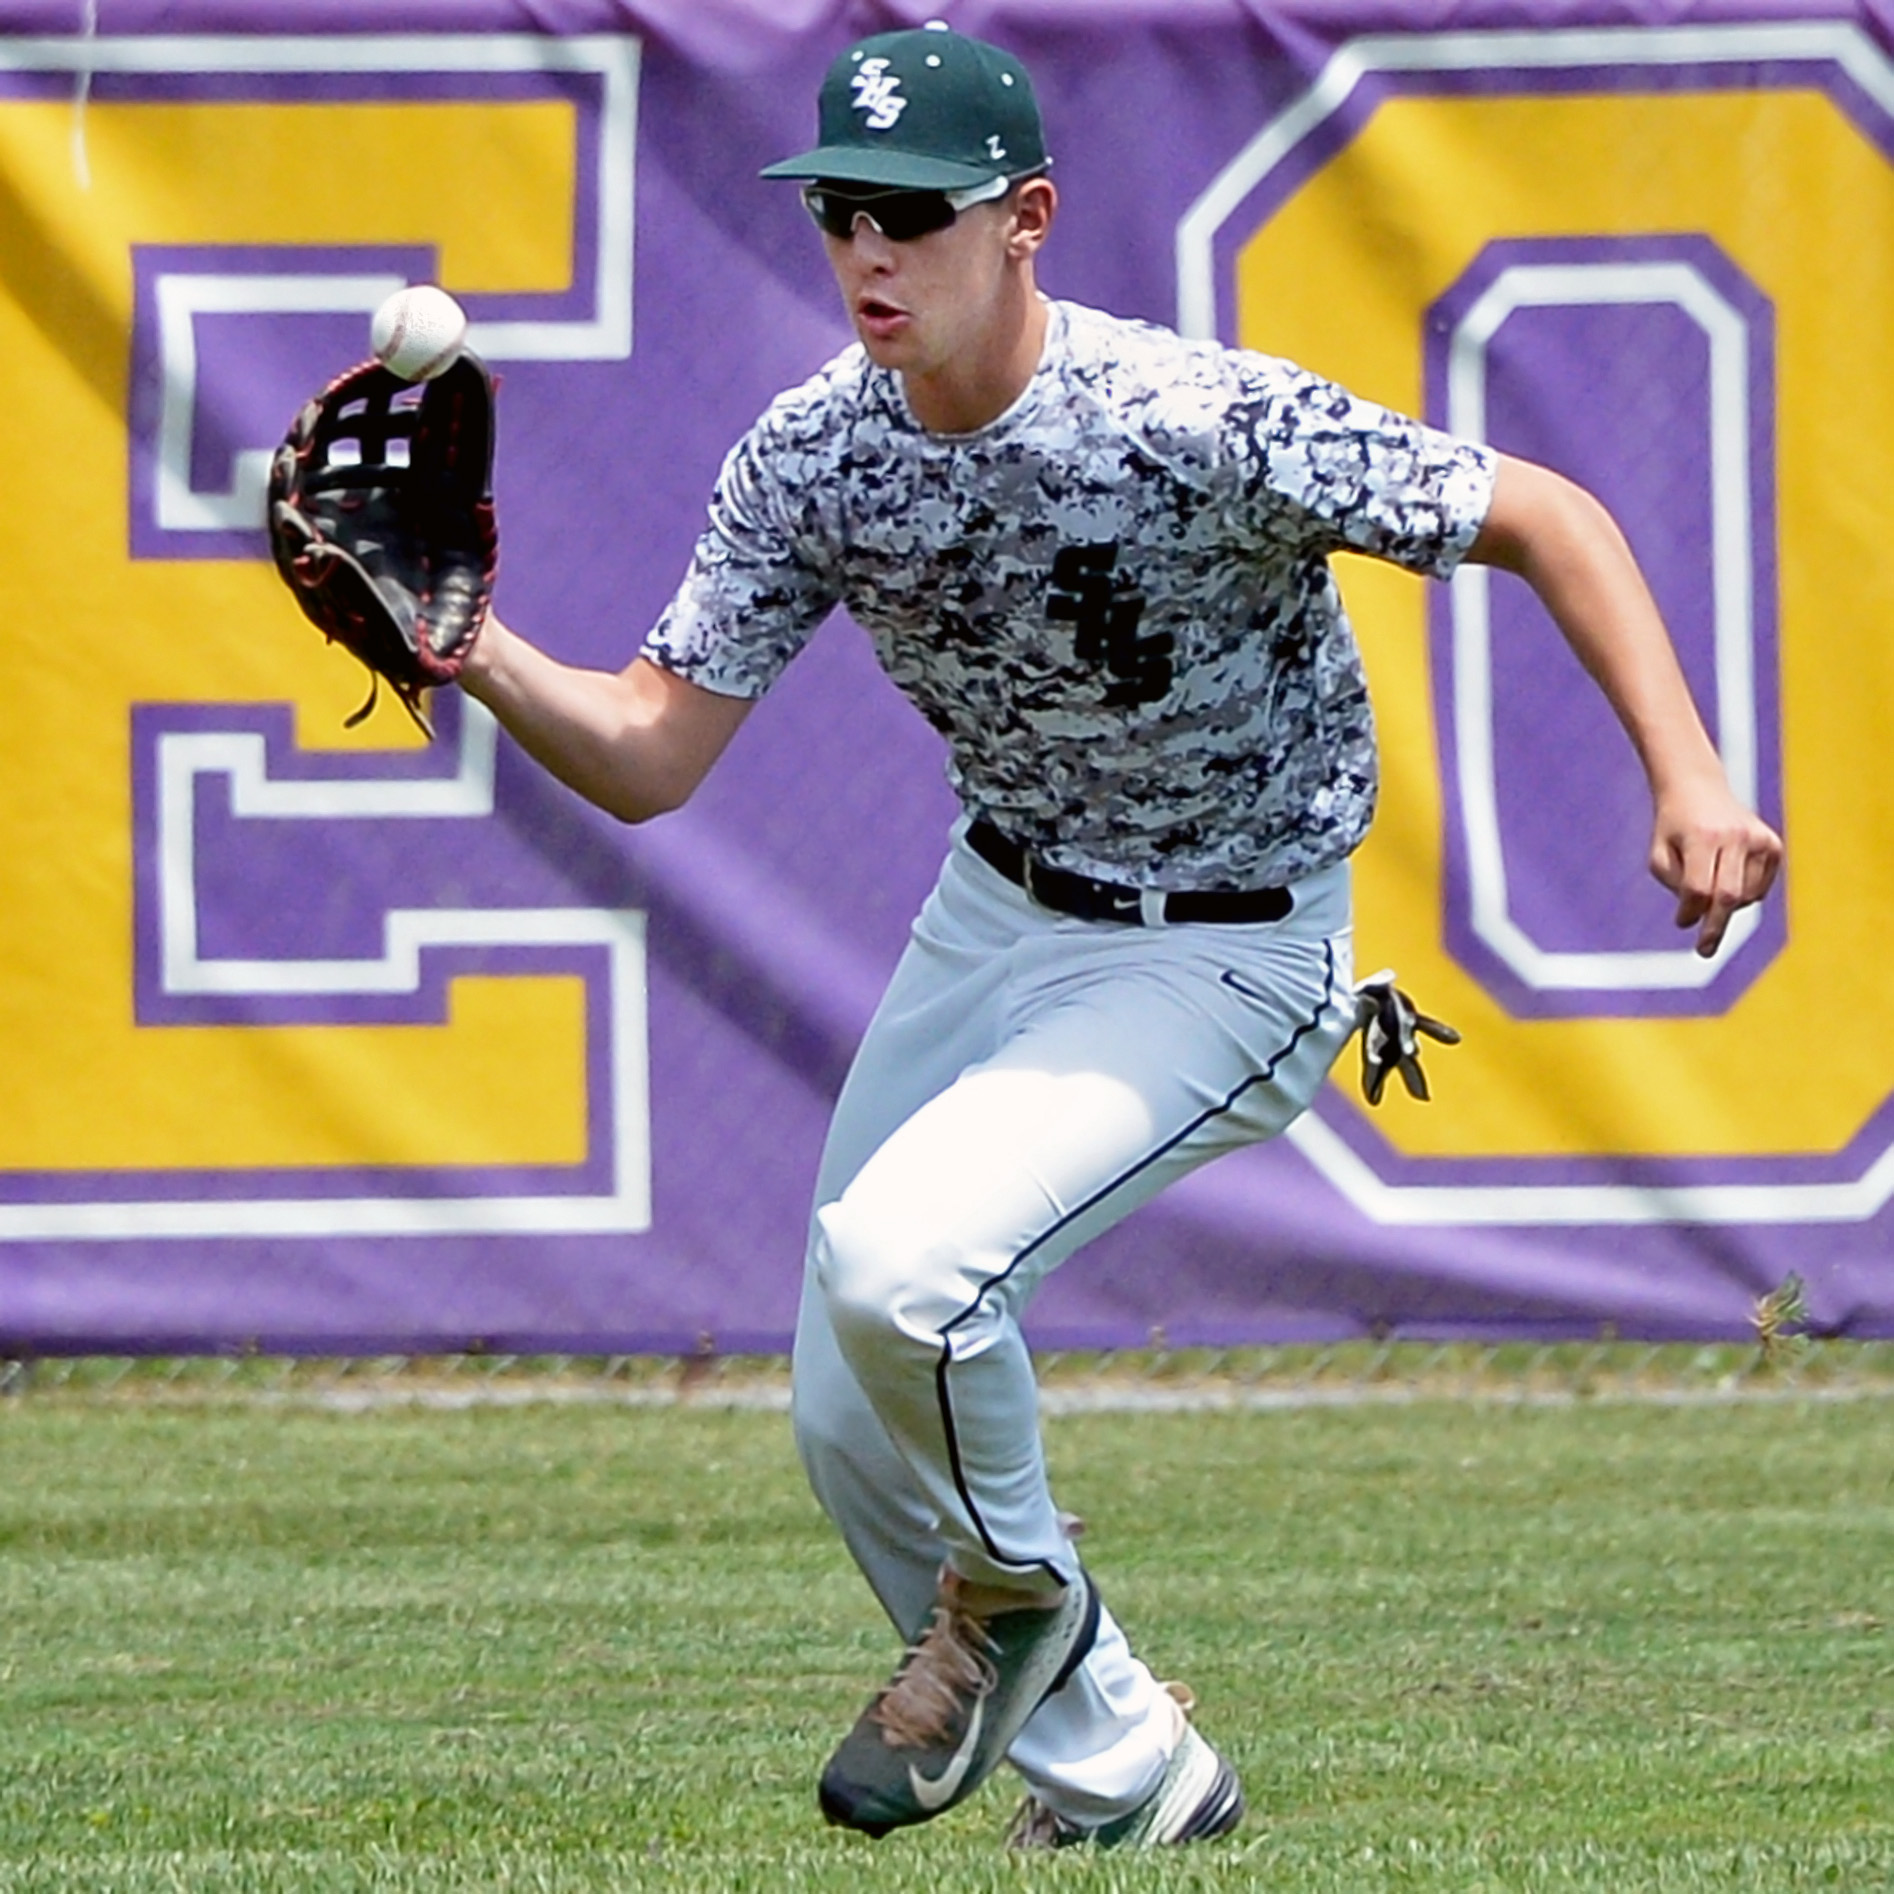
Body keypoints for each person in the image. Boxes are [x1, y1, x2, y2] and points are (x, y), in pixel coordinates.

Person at [455, 20, 1782, 1850]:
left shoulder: (1187, 419)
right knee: (851, 1406)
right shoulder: (818, 457)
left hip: (1229, 949)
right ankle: (1133, 1780)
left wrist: (1688, 767)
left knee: (909, 1273)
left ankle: (1015, 1594)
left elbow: (1541, 511)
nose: (867, 251)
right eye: (841, 208)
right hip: (998, 909)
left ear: (1027, 220)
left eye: (914, 214)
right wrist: (470, 649)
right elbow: (651, 755)